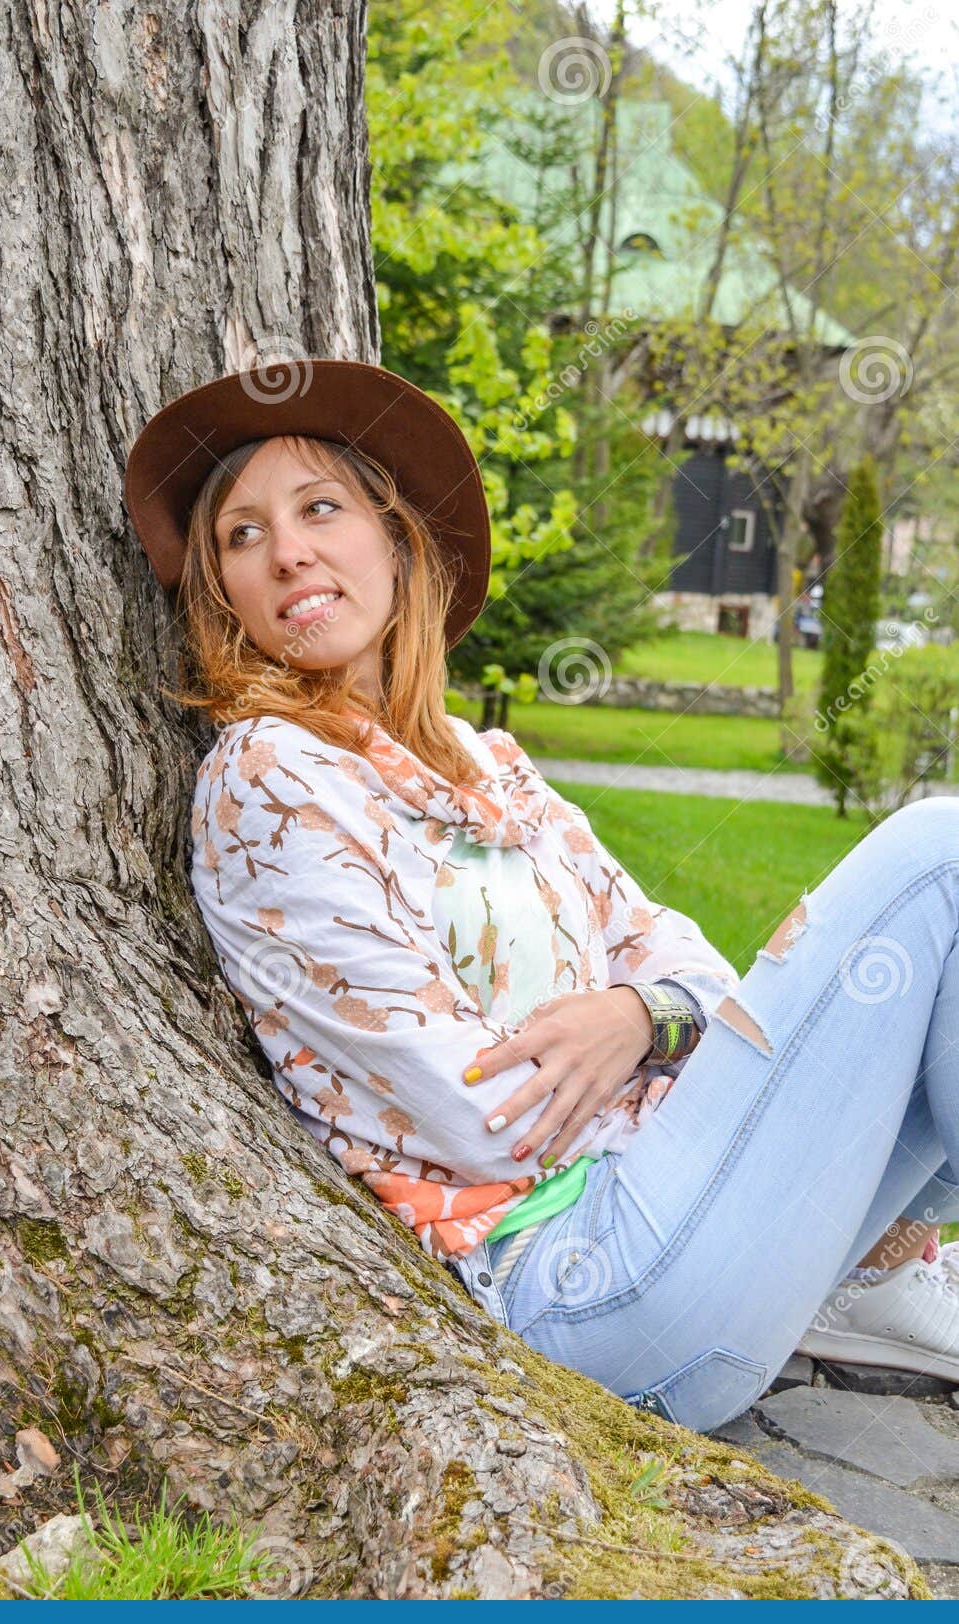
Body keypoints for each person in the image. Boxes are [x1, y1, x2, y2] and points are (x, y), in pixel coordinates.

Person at [123, 359, 959, 1435]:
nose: (286, 550)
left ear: (395, 539)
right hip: (578, 1285)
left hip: (684, 1224)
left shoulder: (489, 764)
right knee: (936, 856)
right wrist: (689, 1065)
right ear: (222, 589)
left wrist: (632, 1019)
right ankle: (869, 1265)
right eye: (242, 535)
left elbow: (687, 966)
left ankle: (876, 1274)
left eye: (320, 508)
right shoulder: (271, 777)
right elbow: (481, 1115)